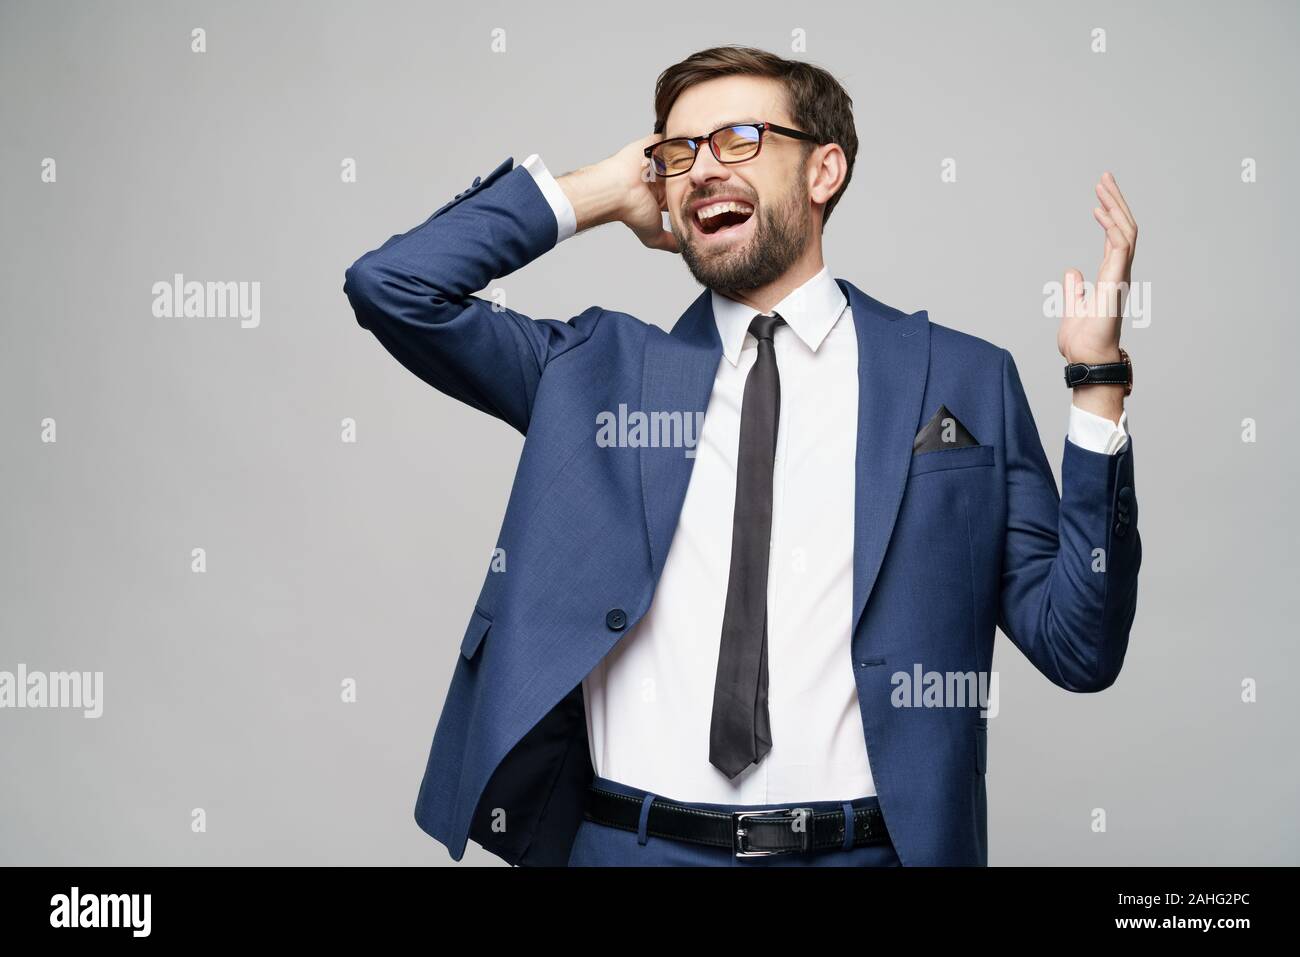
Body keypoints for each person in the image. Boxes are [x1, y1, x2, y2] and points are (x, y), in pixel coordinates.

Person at [342, 45, 1141, 866]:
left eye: (739, 140)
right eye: (678, 152)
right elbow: (392, 286)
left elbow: (1078, 645)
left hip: (866, 854)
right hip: (631, 848)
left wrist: (1097, 382)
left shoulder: (964, 377)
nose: (700, 171)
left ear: (825, 169)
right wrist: (604, 191)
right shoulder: (594, 373)